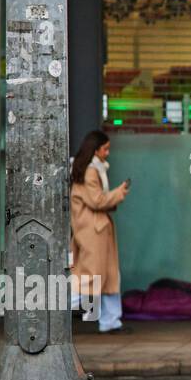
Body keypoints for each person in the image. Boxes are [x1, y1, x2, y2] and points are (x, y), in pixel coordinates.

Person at [70, 130, 131, 333]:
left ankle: (111, 320)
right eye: (105, 149)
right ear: (95, 150)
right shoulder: (90, 171)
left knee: (108, 276)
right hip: (93, 232)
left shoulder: (91, 169)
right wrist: (119, 193)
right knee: (90, 278)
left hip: (95, 229)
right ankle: (51, 311)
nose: (108, 153)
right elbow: (97, 201)